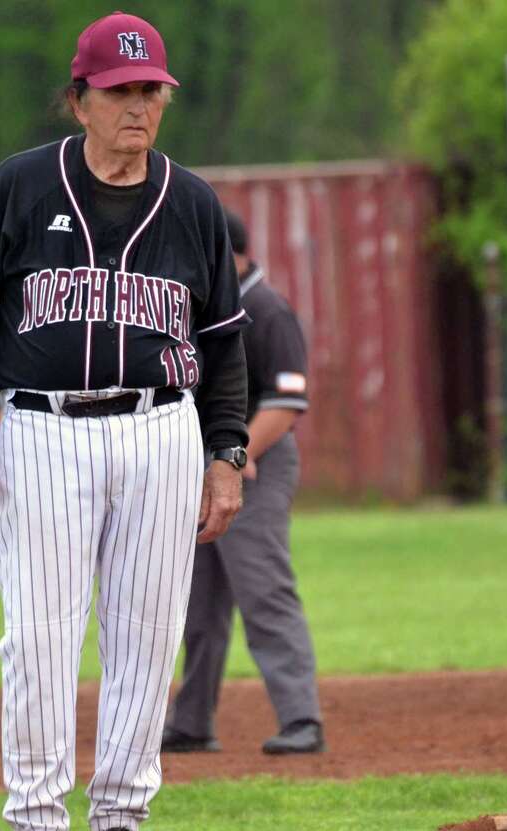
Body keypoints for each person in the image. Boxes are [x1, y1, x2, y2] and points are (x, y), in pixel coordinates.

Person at [0, 12, 249, 831]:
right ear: (80, 101)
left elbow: (222, 342)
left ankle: (121, 815)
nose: (138, 105)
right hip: (45, 430)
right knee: (39, 637)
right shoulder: (21, 186)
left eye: (151, 90)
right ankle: (37, 815)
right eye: (119, 91)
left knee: (147, 637)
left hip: (162, 428)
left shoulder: (193, 204)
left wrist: (227, 451)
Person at [162, 209, 323, 756]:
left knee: (263, 590)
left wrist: (239, 454)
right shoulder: (202, 307)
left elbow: (288, 401)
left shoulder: (266, 308)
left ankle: (301, 718)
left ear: (232, 254)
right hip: (202, 469)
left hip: (257, 466)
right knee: (198, 603)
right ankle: (192, 722)